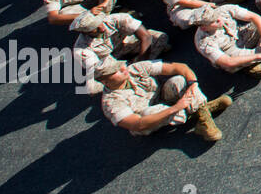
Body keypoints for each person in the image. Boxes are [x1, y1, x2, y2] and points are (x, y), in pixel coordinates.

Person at [96, 56, 231, 142]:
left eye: (120, 65)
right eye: (116, 71)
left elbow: (179, 67)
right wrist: (176, 107)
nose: (123, 68)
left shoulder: (135, 69)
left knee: (178, 80)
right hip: (149, 119)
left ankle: (203, 119)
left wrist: (192, 83)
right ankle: (200, 110)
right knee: (152, 113)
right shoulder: (111, 103)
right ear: (105, 82)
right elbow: (138, 124)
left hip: (162, 97)